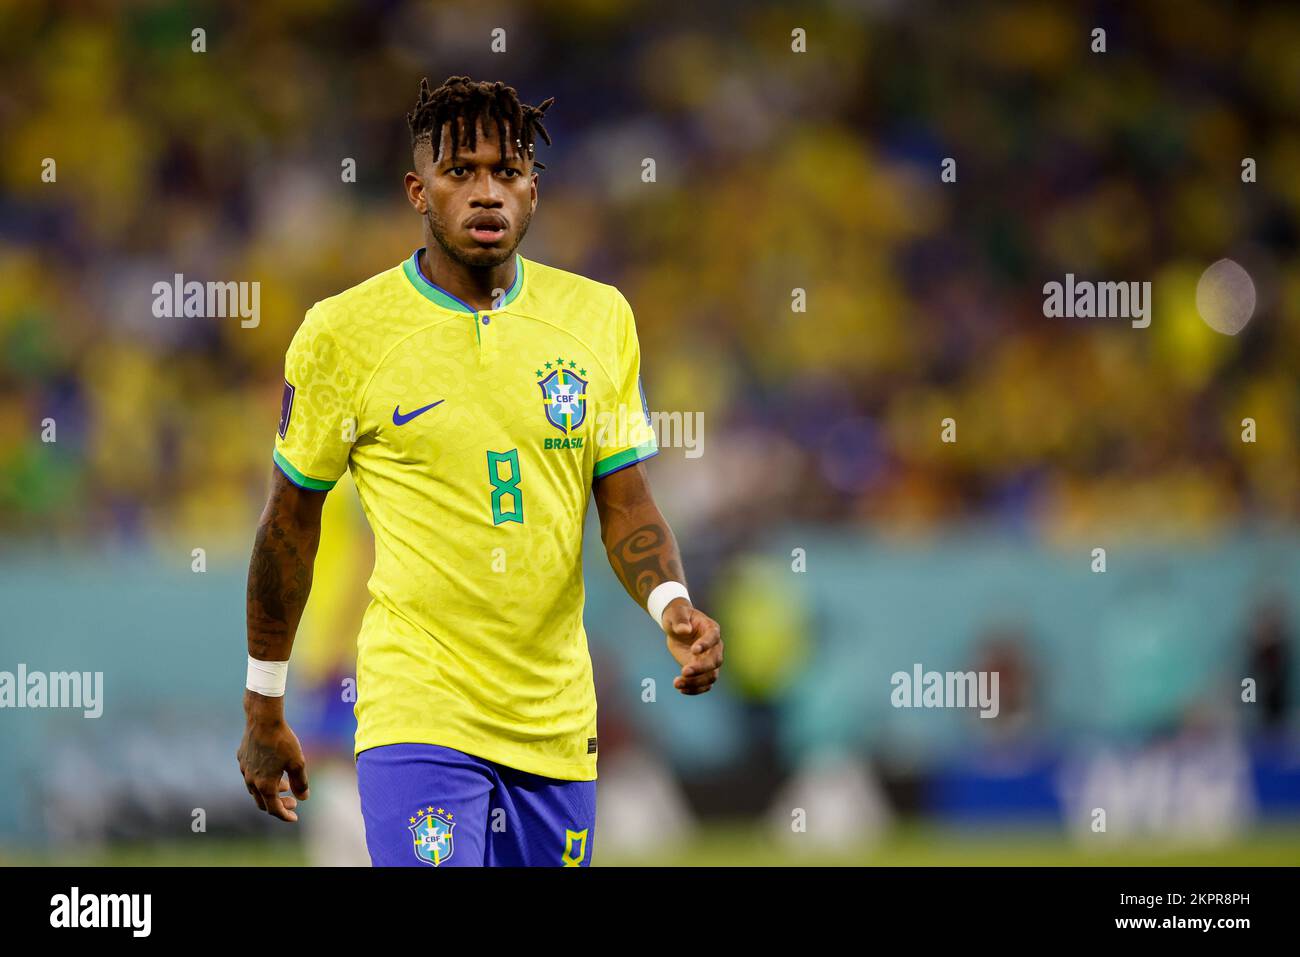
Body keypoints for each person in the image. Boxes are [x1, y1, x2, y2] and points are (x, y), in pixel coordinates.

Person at [236, 75, 722, 866]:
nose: (487, 191)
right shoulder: (343, 333)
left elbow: (627, 503)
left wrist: (672, 602)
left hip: (555, 719)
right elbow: (288, 522)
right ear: (416, 190)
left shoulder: (599, 319)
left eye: (508, 170)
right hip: (415, 708)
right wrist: (264, 703)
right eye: (461, 172)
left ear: (535, 188)